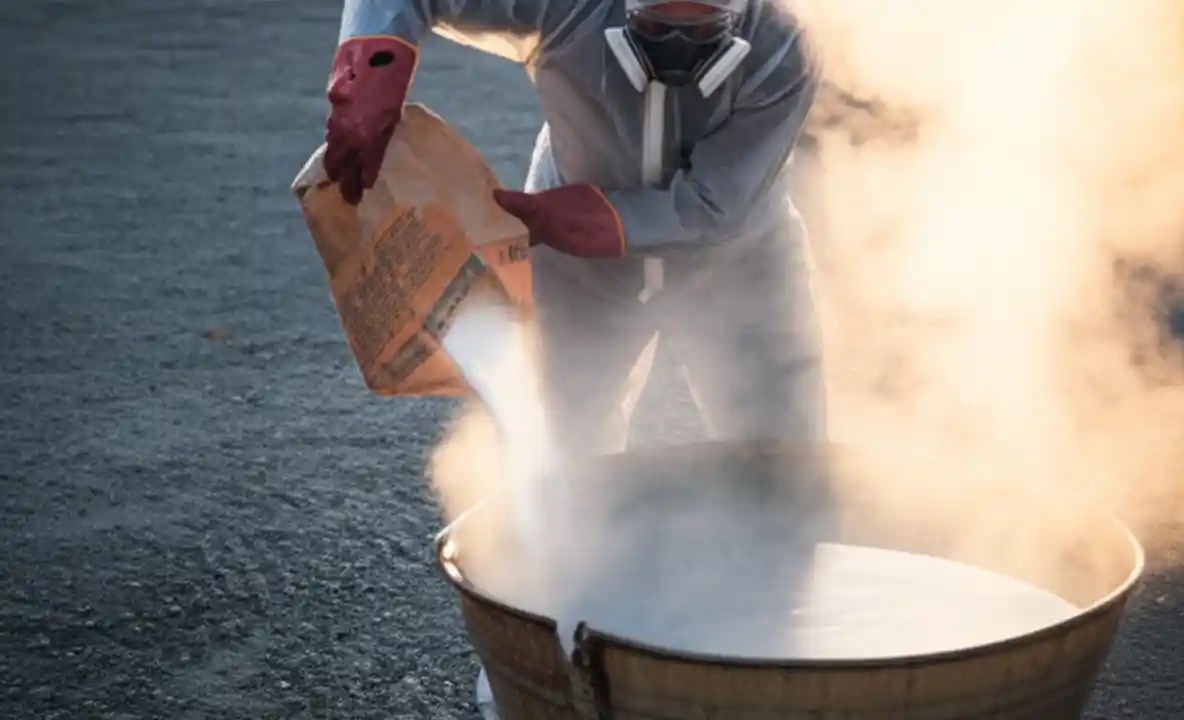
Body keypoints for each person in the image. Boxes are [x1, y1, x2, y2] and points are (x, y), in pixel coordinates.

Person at [325, 0, 824, 456]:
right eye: (657, 25)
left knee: (785, 457)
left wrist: (604, 217)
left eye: (700, 26)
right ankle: (572, 549)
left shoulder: (785, 43)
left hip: (739, 263)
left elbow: (718, 200)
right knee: (565, 450)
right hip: (578, 259)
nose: (677, 47)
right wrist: (373, 61)